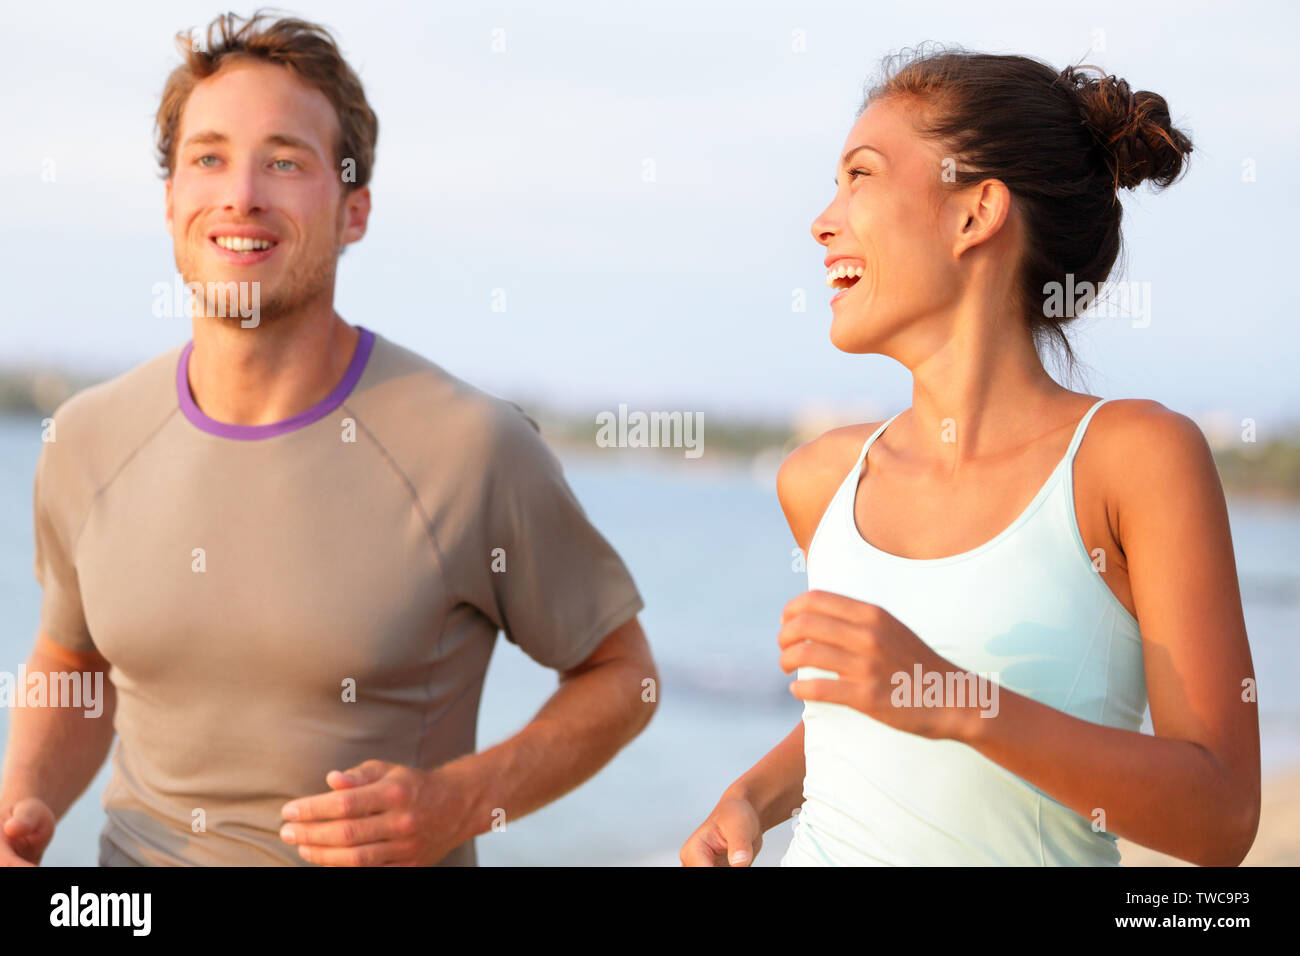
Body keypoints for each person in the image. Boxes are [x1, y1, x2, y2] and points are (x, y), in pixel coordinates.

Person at [0, 11, 655, 867]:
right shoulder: (87, 437)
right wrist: (23, 807)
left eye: (284, 160)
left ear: (354, 212)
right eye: (209, 158)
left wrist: (464, 802)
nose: (242, 194)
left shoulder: (470, 446)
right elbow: (75, 658)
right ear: (171, 205)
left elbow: (624, 677)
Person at [681, 46, 1259, 866]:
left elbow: (1223, 817)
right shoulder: (821, 480)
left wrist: (952, 697)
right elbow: (867, 725)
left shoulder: (1134, 459)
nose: (823, 219)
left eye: (861, 176)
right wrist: (748, 798)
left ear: (975, 213)